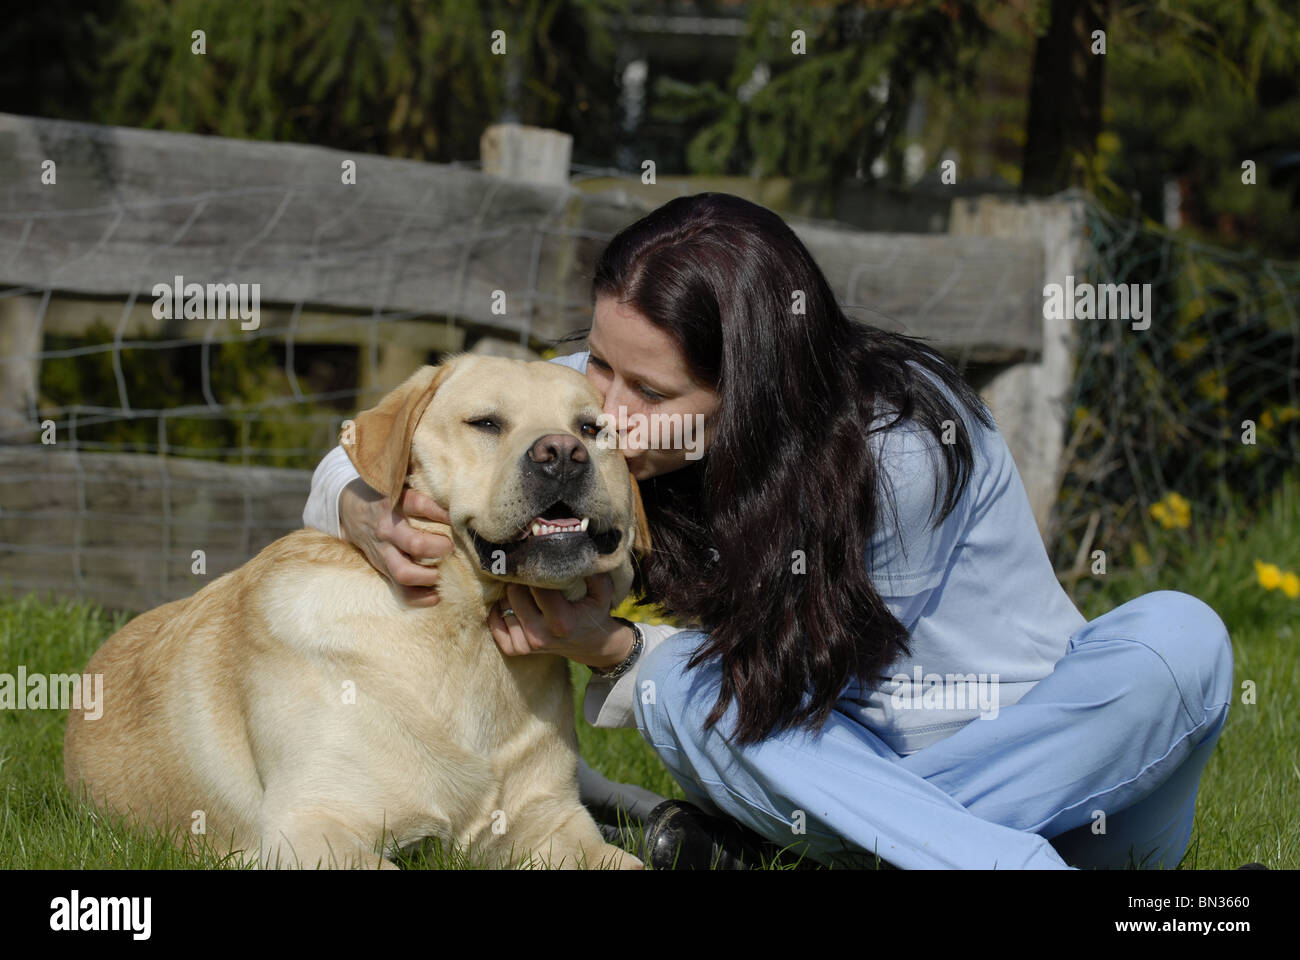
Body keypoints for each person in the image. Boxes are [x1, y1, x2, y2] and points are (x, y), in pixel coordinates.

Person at [302, 192, 1234, 870]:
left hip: (1063, 785)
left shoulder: (900, 448)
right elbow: (357, 452)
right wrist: (364, 510)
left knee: (1184, 637)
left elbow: (828, 707)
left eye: (650, 395)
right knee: (684, 679)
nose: (605, 419)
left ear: (751, 389)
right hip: (826, 794)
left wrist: (620, 647)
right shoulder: (606, 390)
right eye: (600, 371)